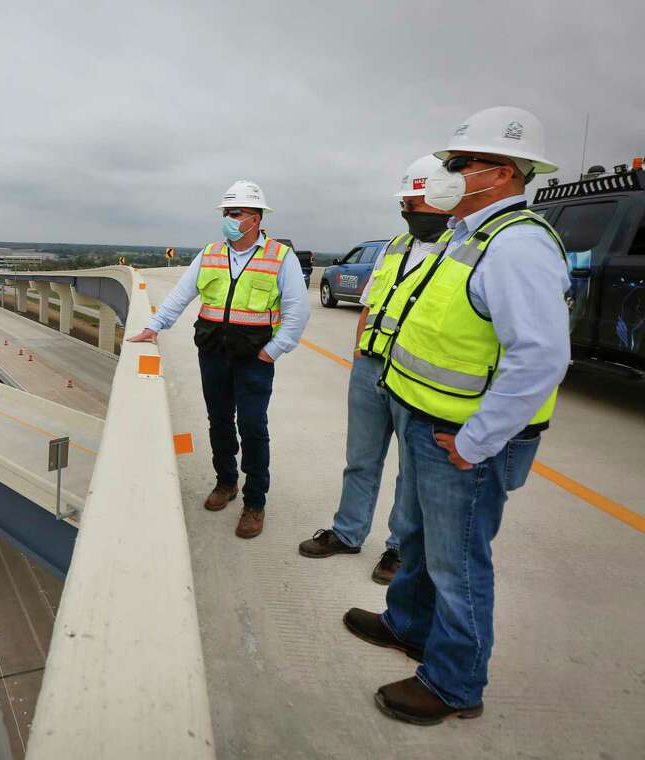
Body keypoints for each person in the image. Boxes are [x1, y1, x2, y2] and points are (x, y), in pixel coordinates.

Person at [341, 107, 570, 724]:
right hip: (426, 418)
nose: (449, 175)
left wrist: (476, 441)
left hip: (461, 441)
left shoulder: (517, 244)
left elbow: (541, 358)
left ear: (498, 172)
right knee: (416, 539)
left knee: (458, 562)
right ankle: (408, 624)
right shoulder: (470, 233)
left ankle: (453, 683)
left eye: (459, 165)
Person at [127, 180, 309, 539]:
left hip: (254, 359)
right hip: (213, 353)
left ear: (256, 218)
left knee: (253, 427)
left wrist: (274, 349)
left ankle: (255, 502)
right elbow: (181, 295)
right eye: (226, 212)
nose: (228, 218)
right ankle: (226, 482)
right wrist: (154, 326)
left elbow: (297, 311)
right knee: (220, 421)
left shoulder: (279, 257)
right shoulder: (210, 253)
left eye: (235, 213)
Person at [298, 155, 451, 584]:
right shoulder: (394, 247)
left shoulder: (459, 251)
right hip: (371, 368)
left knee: (412, 471)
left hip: (416, 377)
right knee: (360, 459)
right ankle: (348, 533)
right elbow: (370, 304)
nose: (408, 212)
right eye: (405, 204)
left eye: (416, 203)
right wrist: (359, 353)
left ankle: (399, 550)